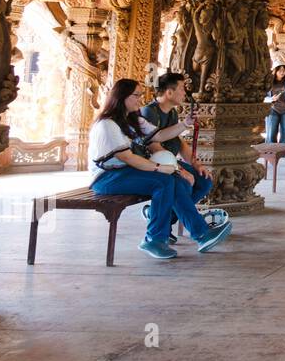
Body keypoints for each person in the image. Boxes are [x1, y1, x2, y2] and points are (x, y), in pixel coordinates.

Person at [89, 78, 232, 260]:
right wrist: (162, 168)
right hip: (106, 178)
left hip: (126, 171)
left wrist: (185, 124)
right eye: (136, 95)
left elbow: (160, 135)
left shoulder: (133, 119)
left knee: (171, 180)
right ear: (122, 97)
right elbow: (128, 157)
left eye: (141, 95)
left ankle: (195, 233)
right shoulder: (107, 124)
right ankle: (157, 238)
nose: (140, 99)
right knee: (164, 181)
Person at [139, 72, 226, 233]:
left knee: (204, 180)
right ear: (169, 92)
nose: (184, 93)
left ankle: (158, 218)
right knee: (183, 184)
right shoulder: (149, 112)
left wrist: (195, 164)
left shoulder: (171, 112)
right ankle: (199, 232)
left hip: (170, 161)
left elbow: (177, 141)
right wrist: (181, 170)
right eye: (181, 88)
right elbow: (153, 146)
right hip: (156, 164)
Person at [263, 64, 285, 142]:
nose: (282, 72)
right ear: (275, 71)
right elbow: (263, 97)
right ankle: (271, 151)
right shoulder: (270, 82)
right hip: (272, 109)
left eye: (284, 70)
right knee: (272, 132)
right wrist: (271, 99)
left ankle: (284, 151)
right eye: (280, 70)